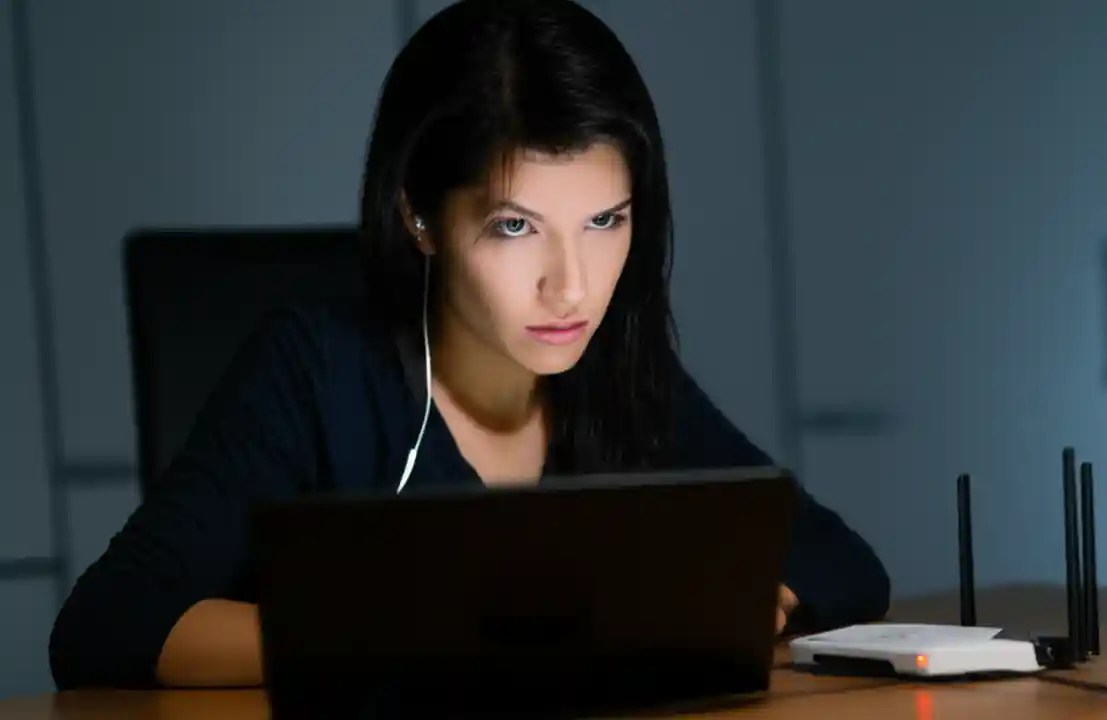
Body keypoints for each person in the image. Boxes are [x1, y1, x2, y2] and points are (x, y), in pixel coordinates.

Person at [48, 0, 890, 690]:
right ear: (420, 216)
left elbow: (842, 566)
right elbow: (108, 626)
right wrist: (424, 640)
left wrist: (729, 610)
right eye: (515, 227)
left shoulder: (615, 369)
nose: (572, 286)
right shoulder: (314, 370)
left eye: (605, 222)